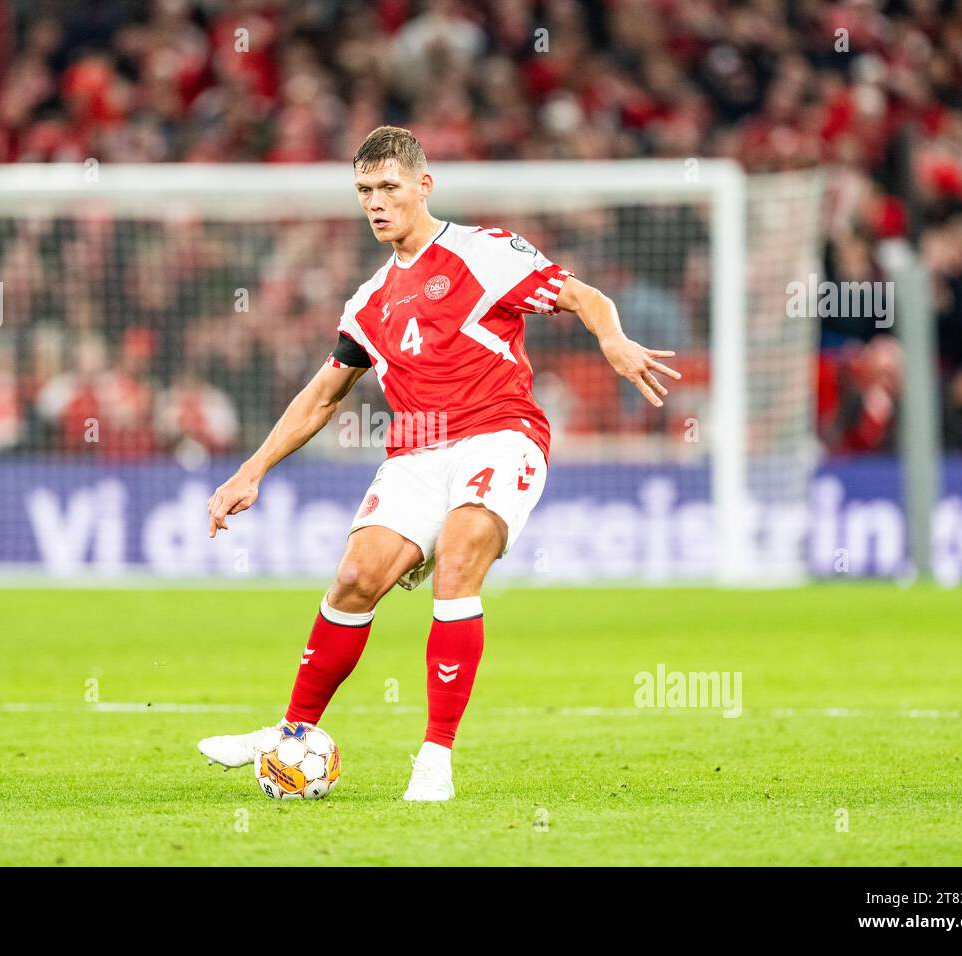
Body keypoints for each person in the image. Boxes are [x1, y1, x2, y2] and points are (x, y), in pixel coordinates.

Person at [199, 126, 680, 800]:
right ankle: (292, 731)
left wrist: (615, 339)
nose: (376, 201)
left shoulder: (485, 253)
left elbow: (582, 296)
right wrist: (250, 471)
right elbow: (323, 395)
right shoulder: (368, 301)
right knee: (354, 579)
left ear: (424, 186)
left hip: (499, 434)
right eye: (365, 190)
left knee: (456, 563)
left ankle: (434, 759)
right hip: (415, 452)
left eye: (389, 186)